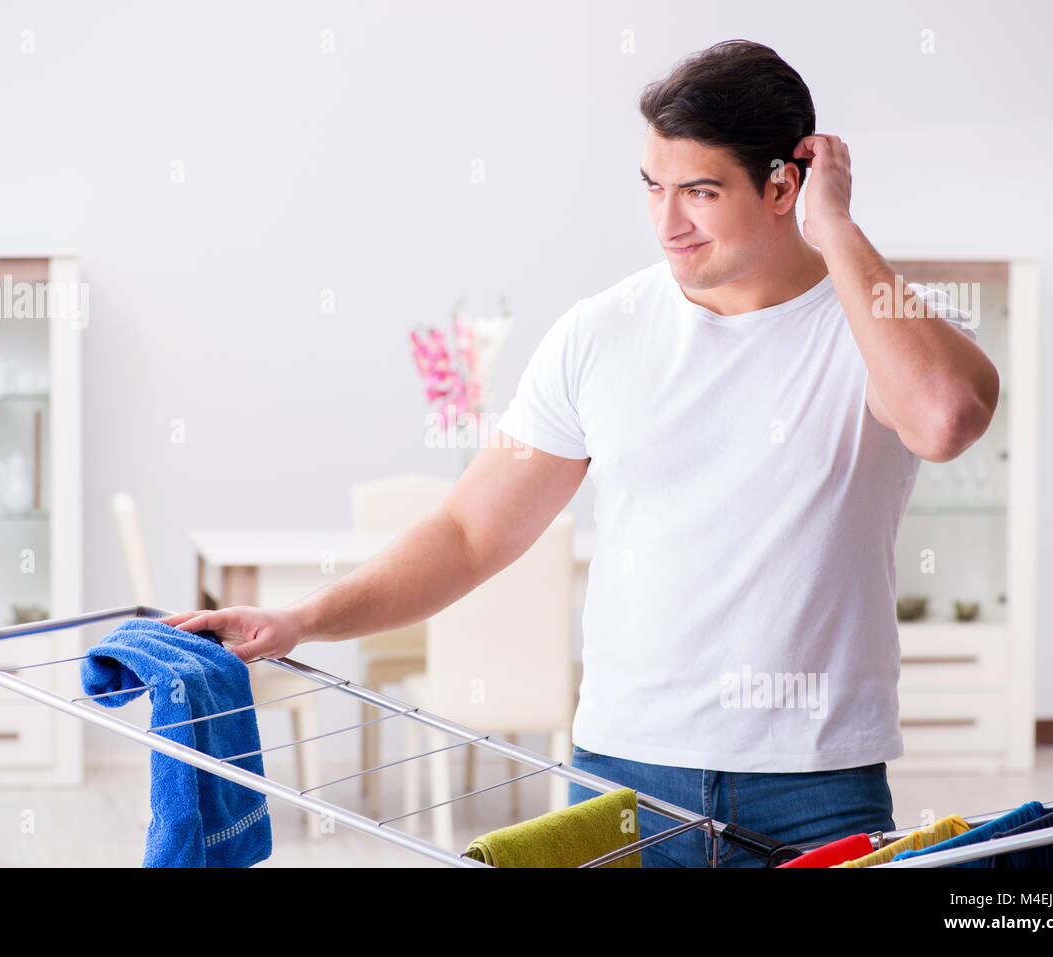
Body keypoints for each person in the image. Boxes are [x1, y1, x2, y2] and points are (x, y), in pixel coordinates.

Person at [160, 38, 999, 867]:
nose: (669, 222)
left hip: (816, 783)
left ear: (784, 185)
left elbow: (947, 417)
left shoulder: (874, 326)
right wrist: (301, 619)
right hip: (619, 778)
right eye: (654, 189)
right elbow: (468, 533)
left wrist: (839, 226)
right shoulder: (602, 333)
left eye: (700, 192)